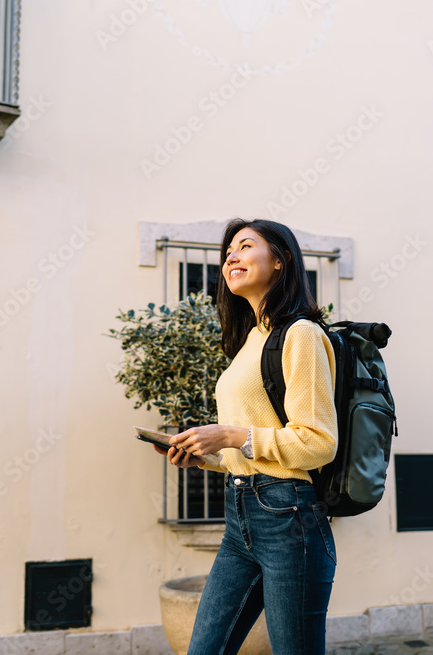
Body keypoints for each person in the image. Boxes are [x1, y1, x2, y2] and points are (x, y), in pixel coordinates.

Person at [154, 218, 339, 655]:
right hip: (240, 516)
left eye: (245, 246)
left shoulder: (301, 334)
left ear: (280, 260)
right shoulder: (251, 341)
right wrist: (208, 457)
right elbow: (253, 448)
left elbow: (318, 442)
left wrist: (232, 435)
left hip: (289, 518)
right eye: (227, 252)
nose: (230, 257)